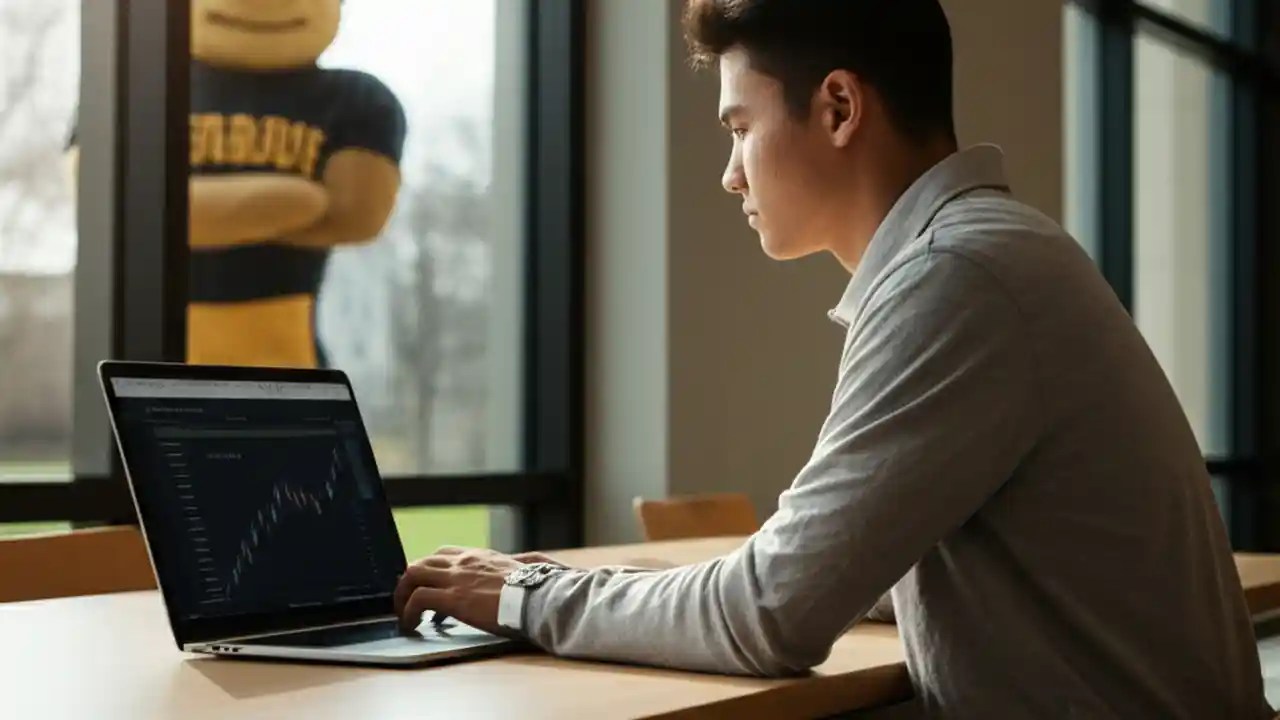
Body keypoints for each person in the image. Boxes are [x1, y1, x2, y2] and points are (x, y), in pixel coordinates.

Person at [392, 1, 1272, 716]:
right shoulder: (992, 250)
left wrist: (523, 598)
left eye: (740, 127)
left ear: (840, 107)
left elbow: (767, 617)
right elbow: (833, 578)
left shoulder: (954, 274)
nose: (731, 174)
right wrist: (662, 588)